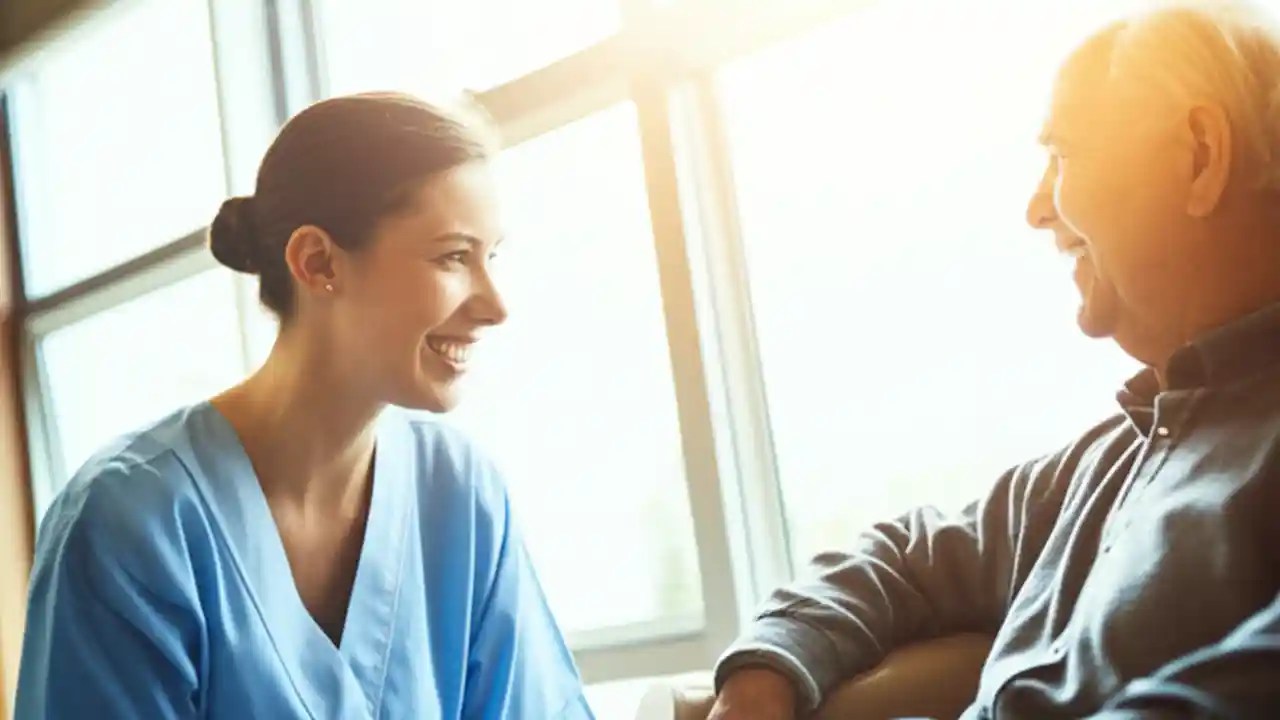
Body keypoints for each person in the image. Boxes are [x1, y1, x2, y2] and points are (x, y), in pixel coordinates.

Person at [710, 2, 1280, 719]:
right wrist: (764, 672)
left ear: (1200, 155)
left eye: (1064, 156)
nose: (1037, 210)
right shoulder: (1105, 462)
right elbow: (903, 556)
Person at [16, 92, 594, 719]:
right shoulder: (132, 521)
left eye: (492, 256)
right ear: (318, 262)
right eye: (453, 256)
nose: (495, 304)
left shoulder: (461, 494)